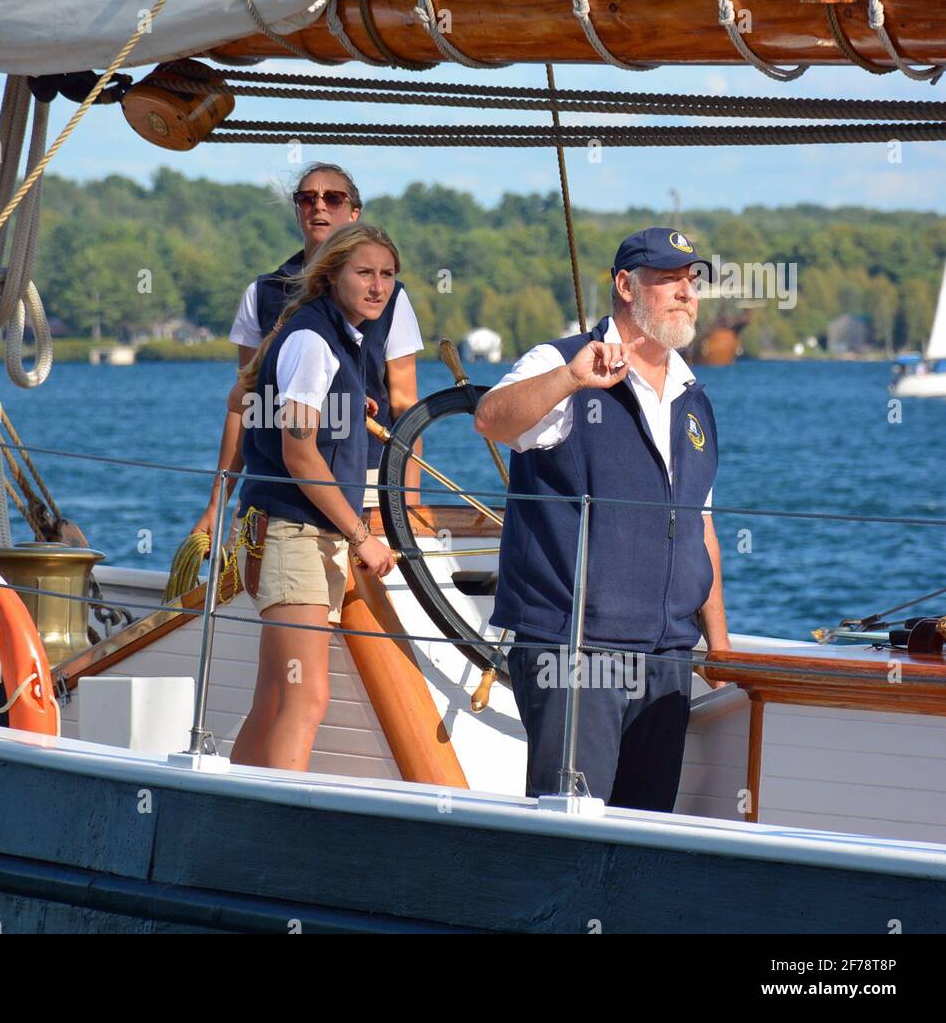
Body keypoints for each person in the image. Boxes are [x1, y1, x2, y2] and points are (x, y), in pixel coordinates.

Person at [473, 227, 730, 812]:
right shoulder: (559, 362)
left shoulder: (694, 396)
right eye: (668, 280)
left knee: (645, 836)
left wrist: (719, 647)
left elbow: (701, 529)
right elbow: (491, 420)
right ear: (625, 285)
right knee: (572, 830)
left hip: (667, 655)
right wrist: (571, 377)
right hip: (576, 651)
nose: (686, 293)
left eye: (692, 280)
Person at [230, 223, 400, 771]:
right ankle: (278, 830)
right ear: (332, 276)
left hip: (294, 533)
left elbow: (264, 404)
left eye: (388, 276)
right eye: (365, 273)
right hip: (293, 534)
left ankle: (238, 815)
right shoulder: (312, 339)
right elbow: (300, 455)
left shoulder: (328, 336)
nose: (378, 287)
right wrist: (363, 537)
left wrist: (347, 411)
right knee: (306, 697)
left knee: (277, 698)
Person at [189, 163, 423, 540]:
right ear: (297, 209)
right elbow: (247, 404)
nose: (320, 207)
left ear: (354, 212)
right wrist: (218, 504)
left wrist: (407, 505)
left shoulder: (391, 298)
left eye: (333, 198)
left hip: (367, 480)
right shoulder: (262, 294)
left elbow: (406, 406)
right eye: (306, 198)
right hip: (279, 484)